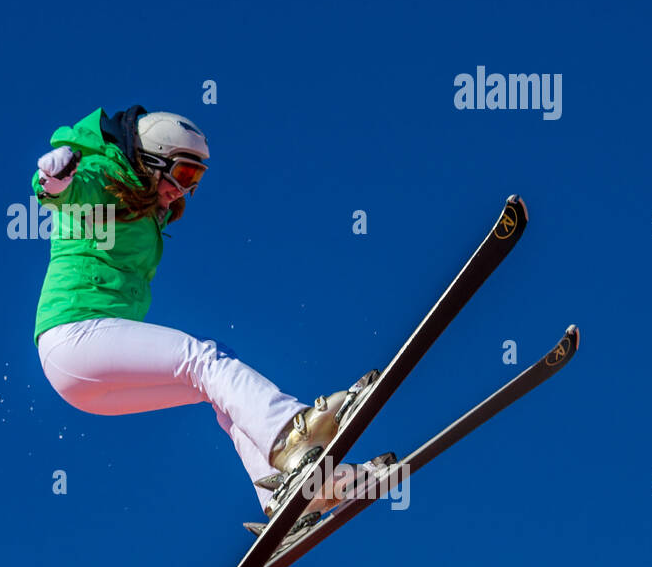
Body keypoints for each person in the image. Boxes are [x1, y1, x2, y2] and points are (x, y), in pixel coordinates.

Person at [31, 104, 389, 526]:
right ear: (152, 159)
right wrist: (52, 180)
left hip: (88, 383)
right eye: (183, 175)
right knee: (200, 357)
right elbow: (66, 191)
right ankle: (294, 435)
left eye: (195, 181)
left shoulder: (141, 205)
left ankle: (293, 499)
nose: (184, 191)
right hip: (74, 336)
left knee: (216, 383)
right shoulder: (101, 175)